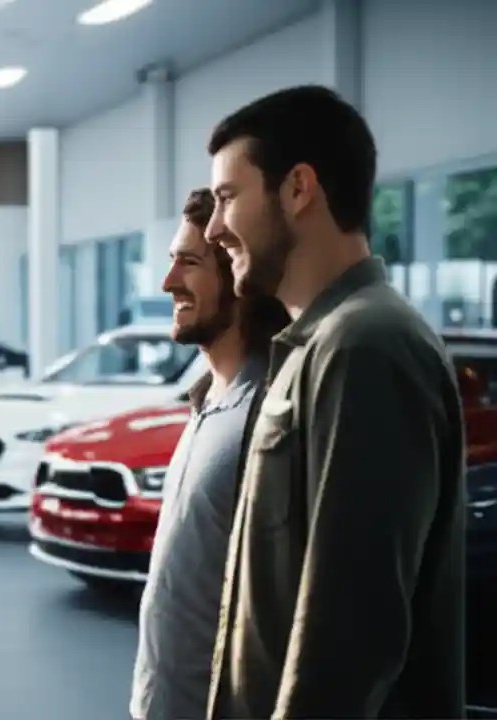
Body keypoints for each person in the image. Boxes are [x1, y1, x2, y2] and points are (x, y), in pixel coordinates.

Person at [202, 85, 467, 719]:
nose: (214, 230)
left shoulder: (365, 344)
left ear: (298, 189)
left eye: (227, 198)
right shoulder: (314, 343)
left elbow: (349, 627)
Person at [129, 188, 289, 720]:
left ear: (239, 278)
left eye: (189, 263)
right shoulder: (203, 401)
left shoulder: (269, 412)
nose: (168, 281)